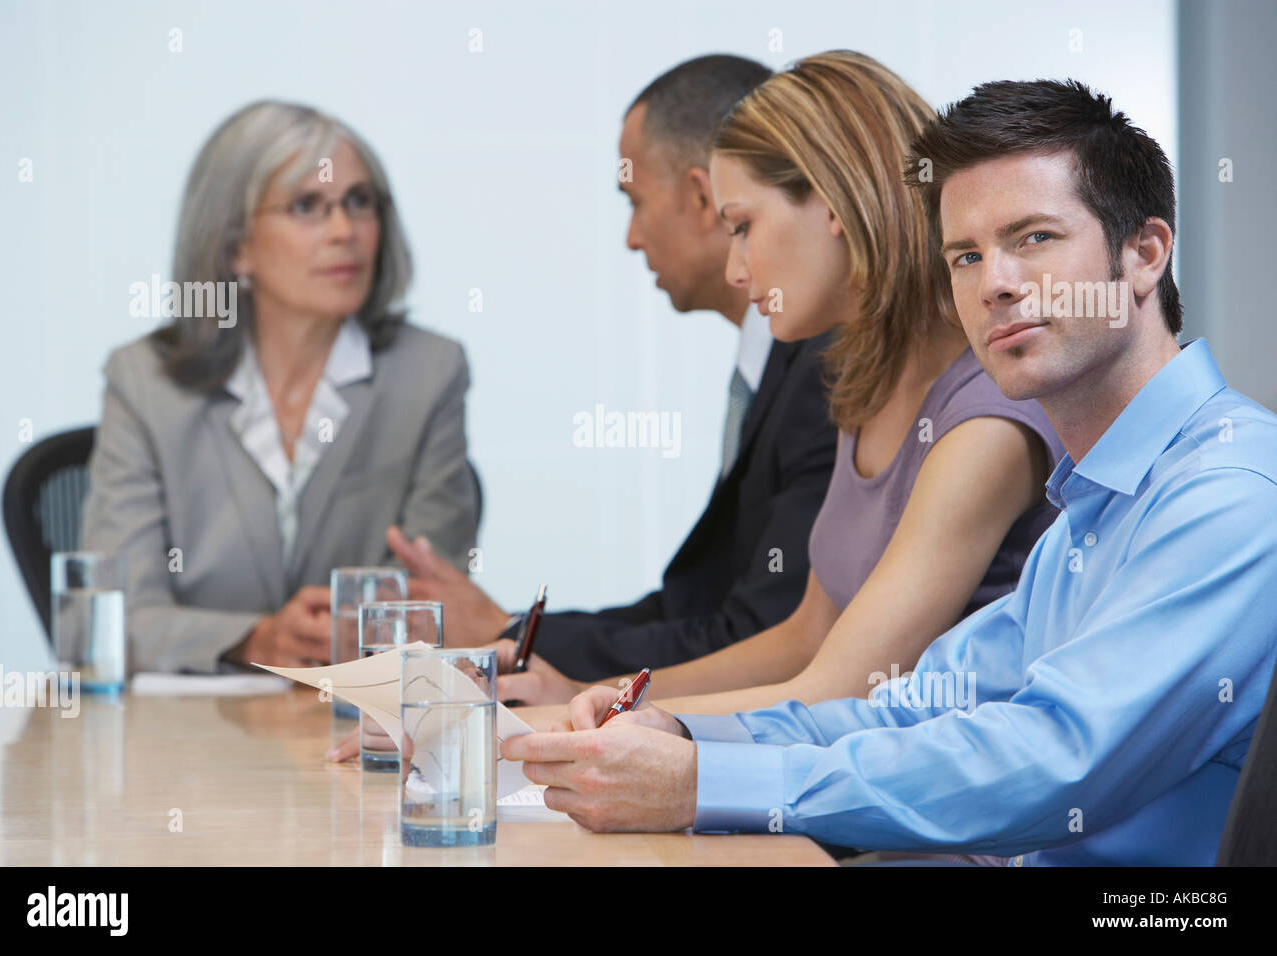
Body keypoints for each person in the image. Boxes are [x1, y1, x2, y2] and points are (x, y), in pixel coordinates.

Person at [505, 78, 1277, 866]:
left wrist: (705, 781)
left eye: (1035, 238)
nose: (995, 284)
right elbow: (912, 706)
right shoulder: (1094, 501)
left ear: (1144, 254)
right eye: (966, 256)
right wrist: (680, 732)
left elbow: (1054, 760)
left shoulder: (1230, 492)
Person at [495, 50, 1062, 717]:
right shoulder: (865, 376)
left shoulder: (985, 422)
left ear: (829, 202)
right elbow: (807, 639)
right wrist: (592, 695)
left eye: (743, 227)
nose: (737, 269)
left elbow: (843, 686)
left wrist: (592, 720)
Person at [370, 56, 837, 677]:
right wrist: (516, 635)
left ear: (703, 200)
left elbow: (761, 635)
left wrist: (523, 647)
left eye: (634, 202)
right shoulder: (781, 362)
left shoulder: (825, 373)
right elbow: (694, 607)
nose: (631, 238)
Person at [81, 101, 479, 673]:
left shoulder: (430, 371)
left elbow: (437, 607)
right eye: (307, 207)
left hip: (355, 727)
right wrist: (254, 641)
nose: (345, 232)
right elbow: (113, 621)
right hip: (189, 743)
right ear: (235, 244)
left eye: (359, 202)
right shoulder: (144, 382)